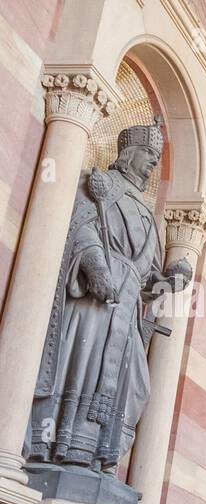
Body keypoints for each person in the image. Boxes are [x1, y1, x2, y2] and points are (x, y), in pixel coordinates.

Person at [28, 116, 192, 474]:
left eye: (156, 158)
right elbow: (78, 228)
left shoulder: (146, 213)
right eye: (148, 154)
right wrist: (96, 268)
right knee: (82, 369)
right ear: (128, 153)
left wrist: (170, 281)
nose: (152, 163)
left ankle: (95, 455)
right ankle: (61, 448)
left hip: (126, 309)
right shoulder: (100, 184)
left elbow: (146, 280)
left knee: (137, 386)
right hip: (94, 303)